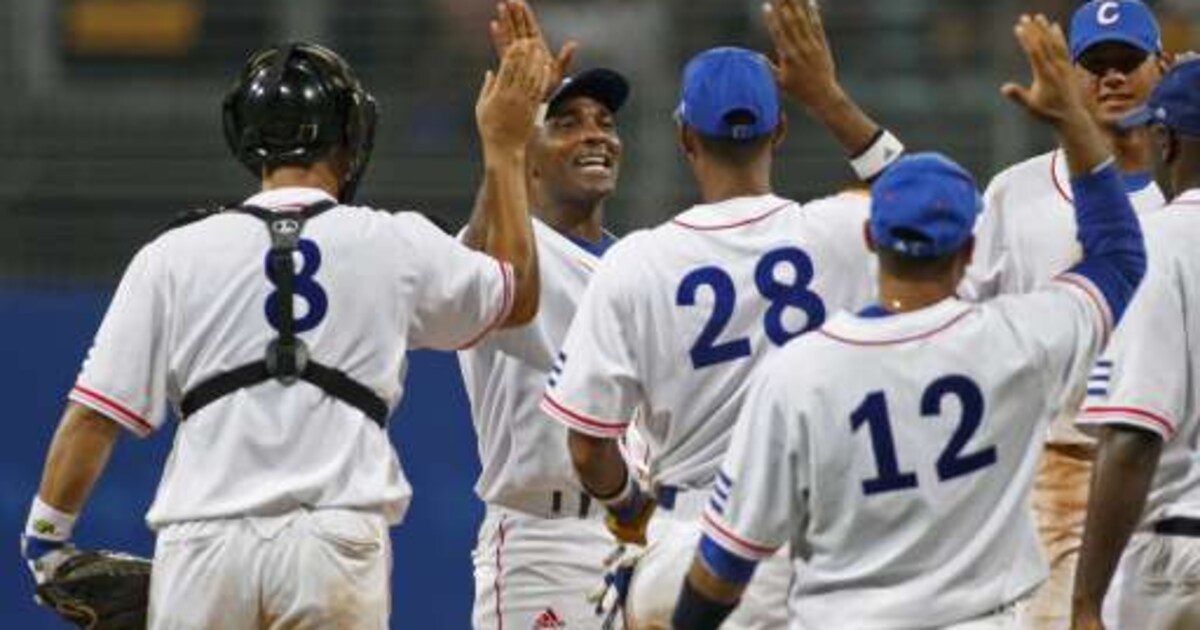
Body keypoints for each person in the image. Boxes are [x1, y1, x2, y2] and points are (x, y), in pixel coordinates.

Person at [19, 40, 550, 629]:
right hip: (331, 541)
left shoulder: (172, 255)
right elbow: (516, 294)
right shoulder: (393, 242)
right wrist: (505, 147)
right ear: (350, 135)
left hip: (203, 545)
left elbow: (93, 417)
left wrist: (47, 543)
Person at [673, 15, 1147, 630]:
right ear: (970, 252)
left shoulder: (801, 372)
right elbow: (1118, 254)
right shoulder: (1017, 342)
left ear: (868, 234)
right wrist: (1073, 125)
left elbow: (722, 567)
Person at [540, 1, 905, 626]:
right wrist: (829, 97)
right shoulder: (842, 228)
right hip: (823, 544)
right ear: (780, 130)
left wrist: (631, 509)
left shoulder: (638, 261)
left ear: (685, 137)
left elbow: (587, 451)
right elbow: (935, 206)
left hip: (694, 539)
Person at [959, 2, 1169, 626]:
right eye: (1095, 65)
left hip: (1161, 471)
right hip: (1039, 465)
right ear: (1068, 75)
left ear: (1161, 66)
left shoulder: (1182, 199)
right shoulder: (1013, 192)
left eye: (1127, 62)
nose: (1111, 78)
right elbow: (963, 327)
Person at [457, 2, 635, 627]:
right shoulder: (500, 250)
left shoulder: (640, 263)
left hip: (639, 533)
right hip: (544, 539)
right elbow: (492, 270)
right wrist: (508, 134)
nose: (595, 133)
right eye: (565, 123)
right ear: (528, 156)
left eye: (605, 121)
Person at [1071, 57, 1200, 630]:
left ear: (1166, 141)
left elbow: (1132, 435)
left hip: (1178, 556)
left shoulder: (1158, 243)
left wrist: (1084, 601)